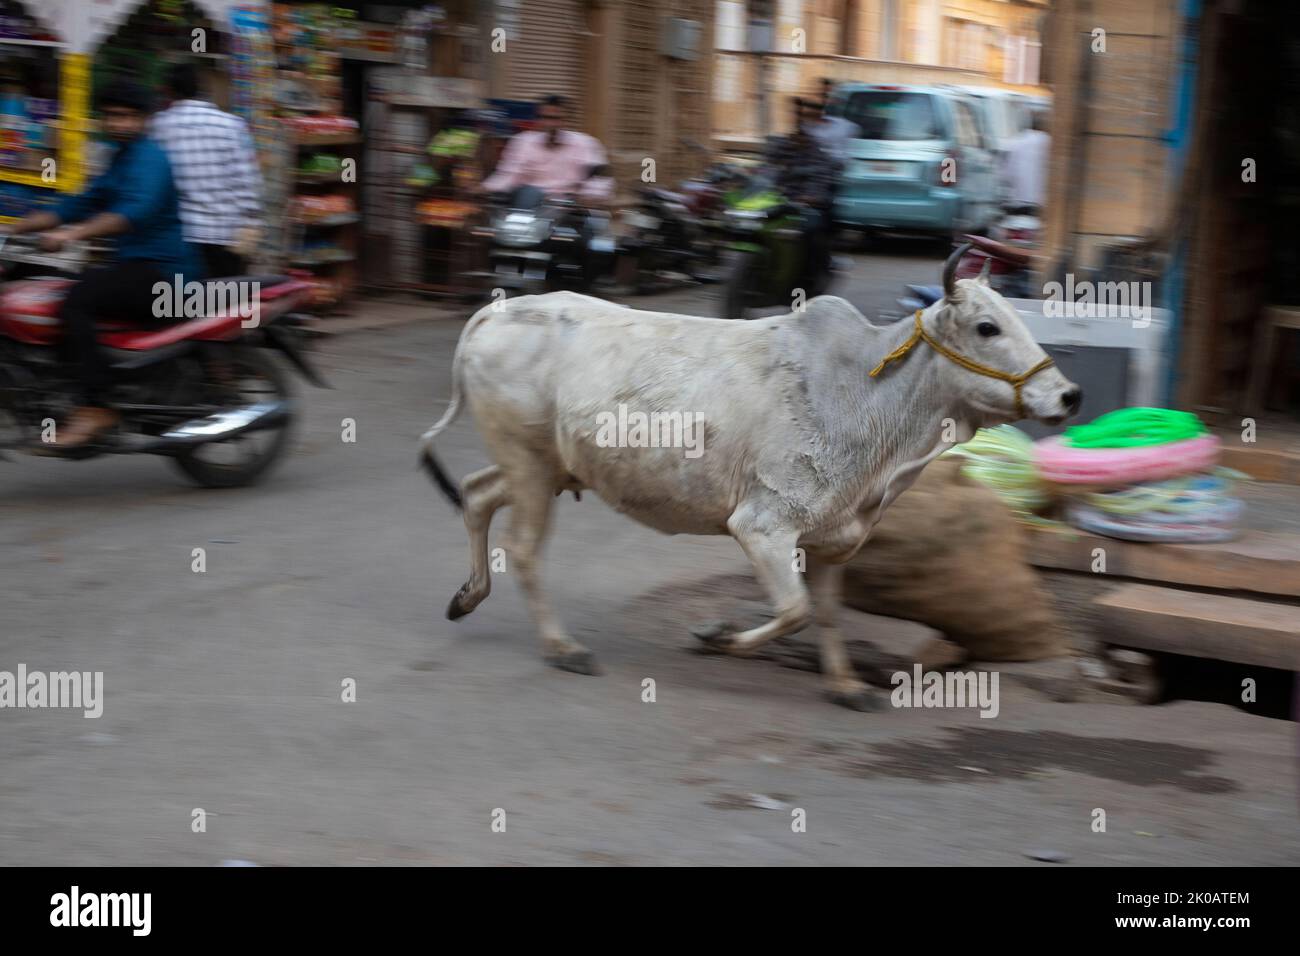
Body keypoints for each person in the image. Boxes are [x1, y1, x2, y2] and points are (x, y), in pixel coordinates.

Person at [2, 80, 200, 448]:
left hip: (166, 277)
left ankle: (97, 407)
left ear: (145, 119)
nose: (119, 124)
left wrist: (71, 236)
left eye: (127, 117)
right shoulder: (120, 158)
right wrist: (19, 226)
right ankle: (65, 388)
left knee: (77, 300)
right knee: (50, 286)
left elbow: (133, 212)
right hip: (133, 267)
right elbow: (80, 203)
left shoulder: (151, 158)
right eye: (112, 116)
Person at [149, 61, 262, 277]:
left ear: (168, 91)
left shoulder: (159, 125)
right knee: (221, 305)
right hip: (224, 234)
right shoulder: (232, 125)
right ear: (201, 90)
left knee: (177, 305)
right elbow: (247, 180)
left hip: (177, 235)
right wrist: (251, 223)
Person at [478, 94, 613, 204]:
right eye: (543, 118)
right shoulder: (522, 142)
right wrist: (484, 188)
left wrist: (589, 197)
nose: (548, 124)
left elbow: (599, 179)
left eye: (555, 119)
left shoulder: (587, 144)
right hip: (529, 207)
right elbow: (508, 175)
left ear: (567, 121)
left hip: (571, 209)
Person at [764, 97, 838, 287]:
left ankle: (808, 282)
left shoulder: (817, 152)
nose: (800, 122)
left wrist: (810, 198)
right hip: (781, 204)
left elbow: (821, 179)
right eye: (797, 116)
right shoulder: (782, 146)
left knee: (810, 232)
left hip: (805, 207)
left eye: (805, 118)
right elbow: (767, 169)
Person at [1002, 108, 1049, 210]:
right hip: (1042, 205)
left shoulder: (1014, 142)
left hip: (1018, 202)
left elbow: (1006, 174)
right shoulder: (1050, 144)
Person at [810, 78, 860, 165]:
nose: (827, 100)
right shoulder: (818, 118)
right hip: (823, 162)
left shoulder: (845, 124)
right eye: (824, 95)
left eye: (829, 95)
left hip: (835, 162)